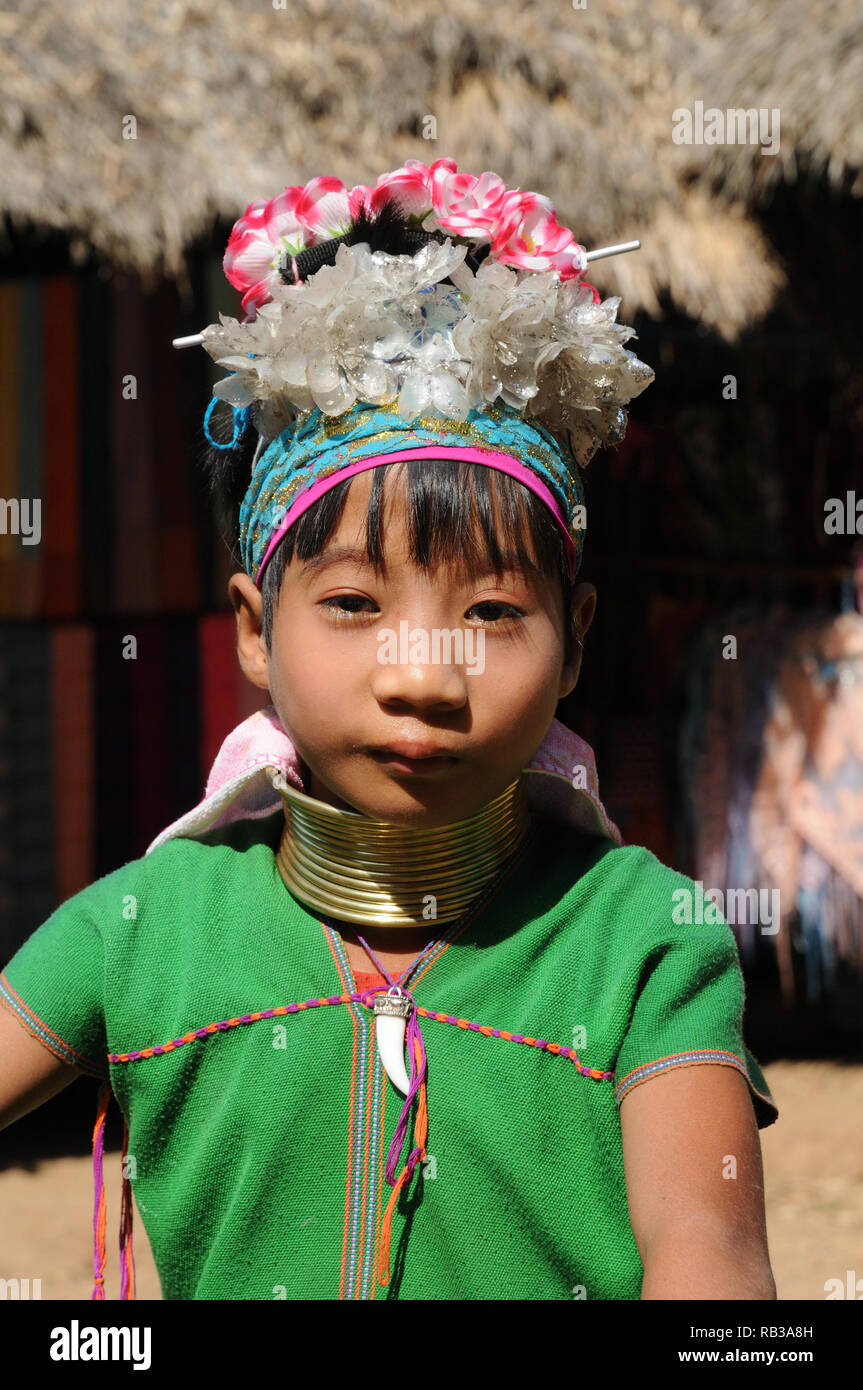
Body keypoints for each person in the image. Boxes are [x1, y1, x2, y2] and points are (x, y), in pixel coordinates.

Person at [0, 159, 777, 1301]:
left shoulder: (641, 942)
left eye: (492, 612)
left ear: (575, 640)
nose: (423, 675)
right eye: (355, 606)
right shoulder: (142, 926)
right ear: (254, 630)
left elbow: (709, 1265)